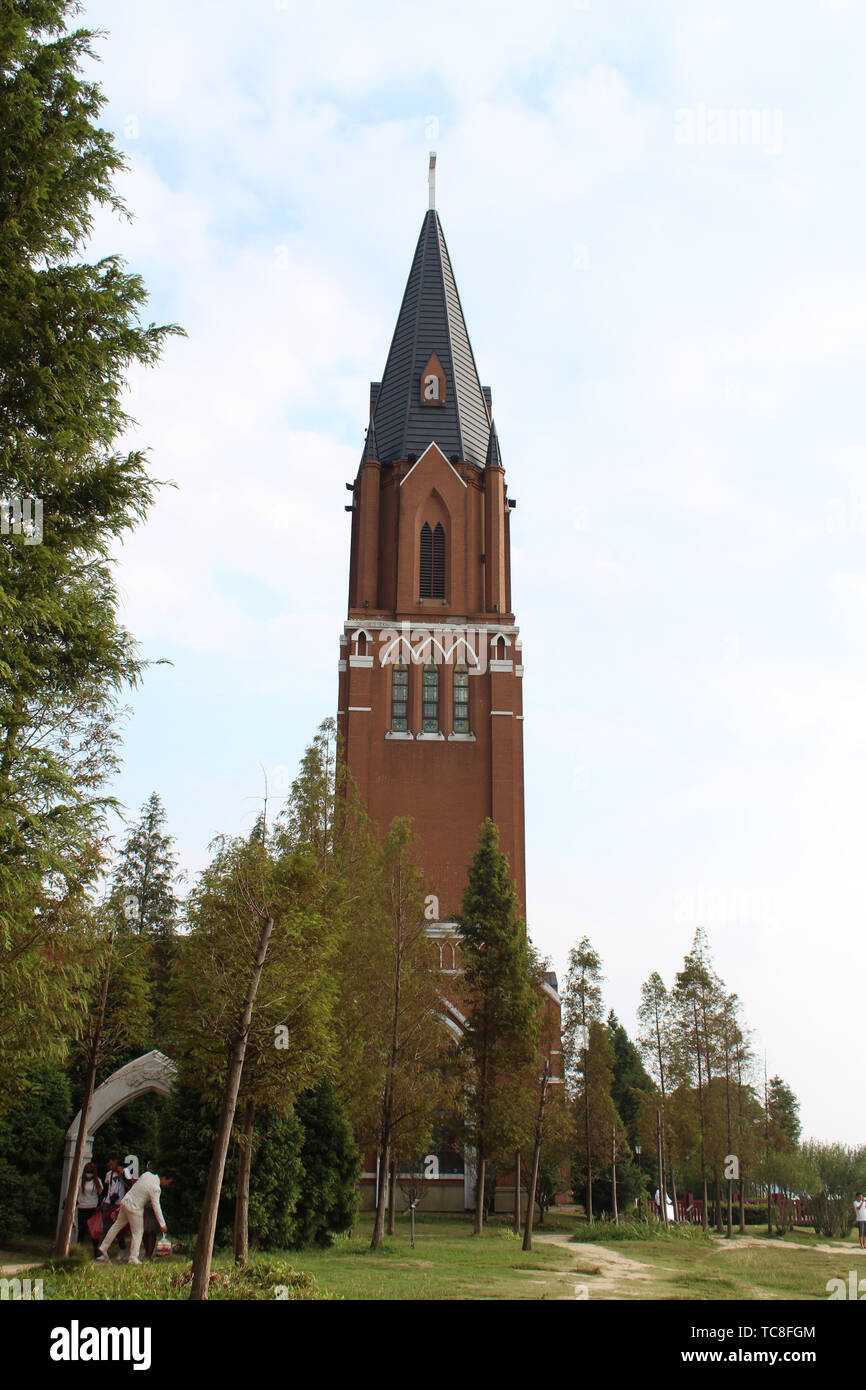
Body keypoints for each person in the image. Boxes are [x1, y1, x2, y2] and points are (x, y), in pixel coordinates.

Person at [95, 1167, 171, 1266]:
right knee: (138, 1232)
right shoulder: (156, 1188)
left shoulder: (147, 1174)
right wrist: (162, 1224)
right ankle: (133, 1257)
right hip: (135, 1207)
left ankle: (103, 1248)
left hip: (126, 1201)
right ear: (164, 1178)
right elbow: (156, 1206)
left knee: (116, 1226)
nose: (167, 1184)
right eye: (168, 1182)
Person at [102, 1159, 130, 1253]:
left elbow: (130, 1184)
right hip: (108, 1202)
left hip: (119, 1203)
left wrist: (121, 1174)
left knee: (118, 1228)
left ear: (116, 1163)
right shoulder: (108, 1174)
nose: (110, 1165)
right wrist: (102, 1201)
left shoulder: (125, 1171)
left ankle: (122, 1248)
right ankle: (104, 1250)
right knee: (106, 1227)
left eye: (112, 1163)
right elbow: (106, 1189)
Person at [76, 1162, 103, 1256]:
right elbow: (76, 1194)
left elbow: (101, 1194)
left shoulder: (97, 1181)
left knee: (93, 1231)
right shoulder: (80, 1181)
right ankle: (78, 1251)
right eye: (88, 1171)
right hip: (82, 1207)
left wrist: (99, 1206)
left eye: (91, 1172)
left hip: (93, 1208)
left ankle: (96, 1251)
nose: (89, 1173)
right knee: (81, 1230)